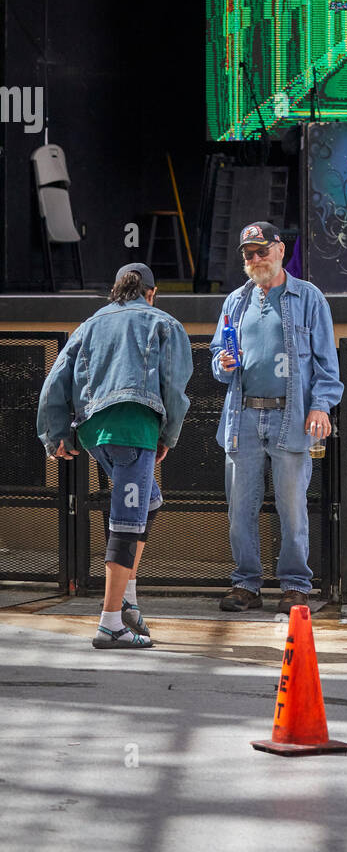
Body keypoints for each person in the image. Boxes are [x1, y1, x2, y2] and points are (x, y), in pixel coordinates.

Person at [37, 263, 193, 649]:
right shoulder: (164, 323)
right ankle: (110, 623)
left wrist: (56, 434)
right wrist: (169, 434)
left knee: (149, 502)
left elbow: (54, 380)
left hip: (94, 432)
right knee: (126, 522)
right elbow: (174, 387)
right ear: (151, 292)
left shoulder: (90, 324)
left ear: (116, 291)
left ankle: (128, 600)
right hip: (134, 430)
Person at [211, 221, 343, 612]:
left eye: (261, 251)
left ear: (280, 250)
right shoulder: (235, 301)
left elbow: (326, 365)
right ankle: (245, 584)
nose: (255, 259)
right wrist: (223, 361)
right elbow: (218, 362)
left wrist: (321, 406)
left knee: (292, 508)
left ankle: (295, 585)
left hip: (293, 417)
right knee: (240, 509)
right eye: (248, 254)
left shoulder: (309, 297)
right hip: (244, 418)